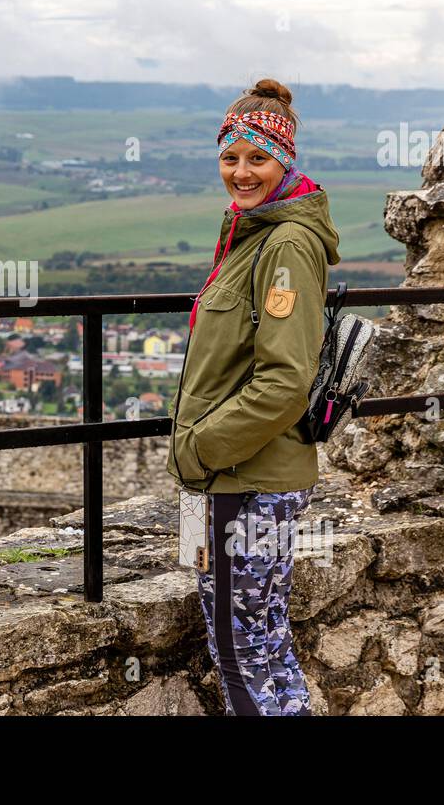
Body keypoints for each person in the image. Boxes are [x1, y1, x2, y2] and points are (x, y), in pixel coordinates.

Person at [166, 77, 341, 716]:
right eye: (229, 157)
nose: (241, 172)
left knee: (241, 659)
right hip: (250, 476)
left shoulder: (285, 243)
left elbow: (285, 381)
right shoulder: (253, 233)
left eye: (257, 158)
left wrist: (198, 451)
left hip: (245, 477)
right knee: (266, 647)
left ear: (285, 161)